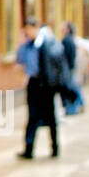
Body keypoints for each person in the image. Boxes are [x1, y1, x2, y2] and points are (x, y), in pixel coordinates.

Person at [15, 18, 64, 159]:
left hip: (46, 84)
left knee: (50, 116)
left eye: (30, 29)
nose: (28, 32)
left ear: (36, 28)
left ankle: (55, 146)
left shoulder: (47, 42)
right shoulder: (27, 46)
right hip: (33, 83)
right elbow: (19, 63)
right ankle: (28, 149)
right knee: (32, 116)